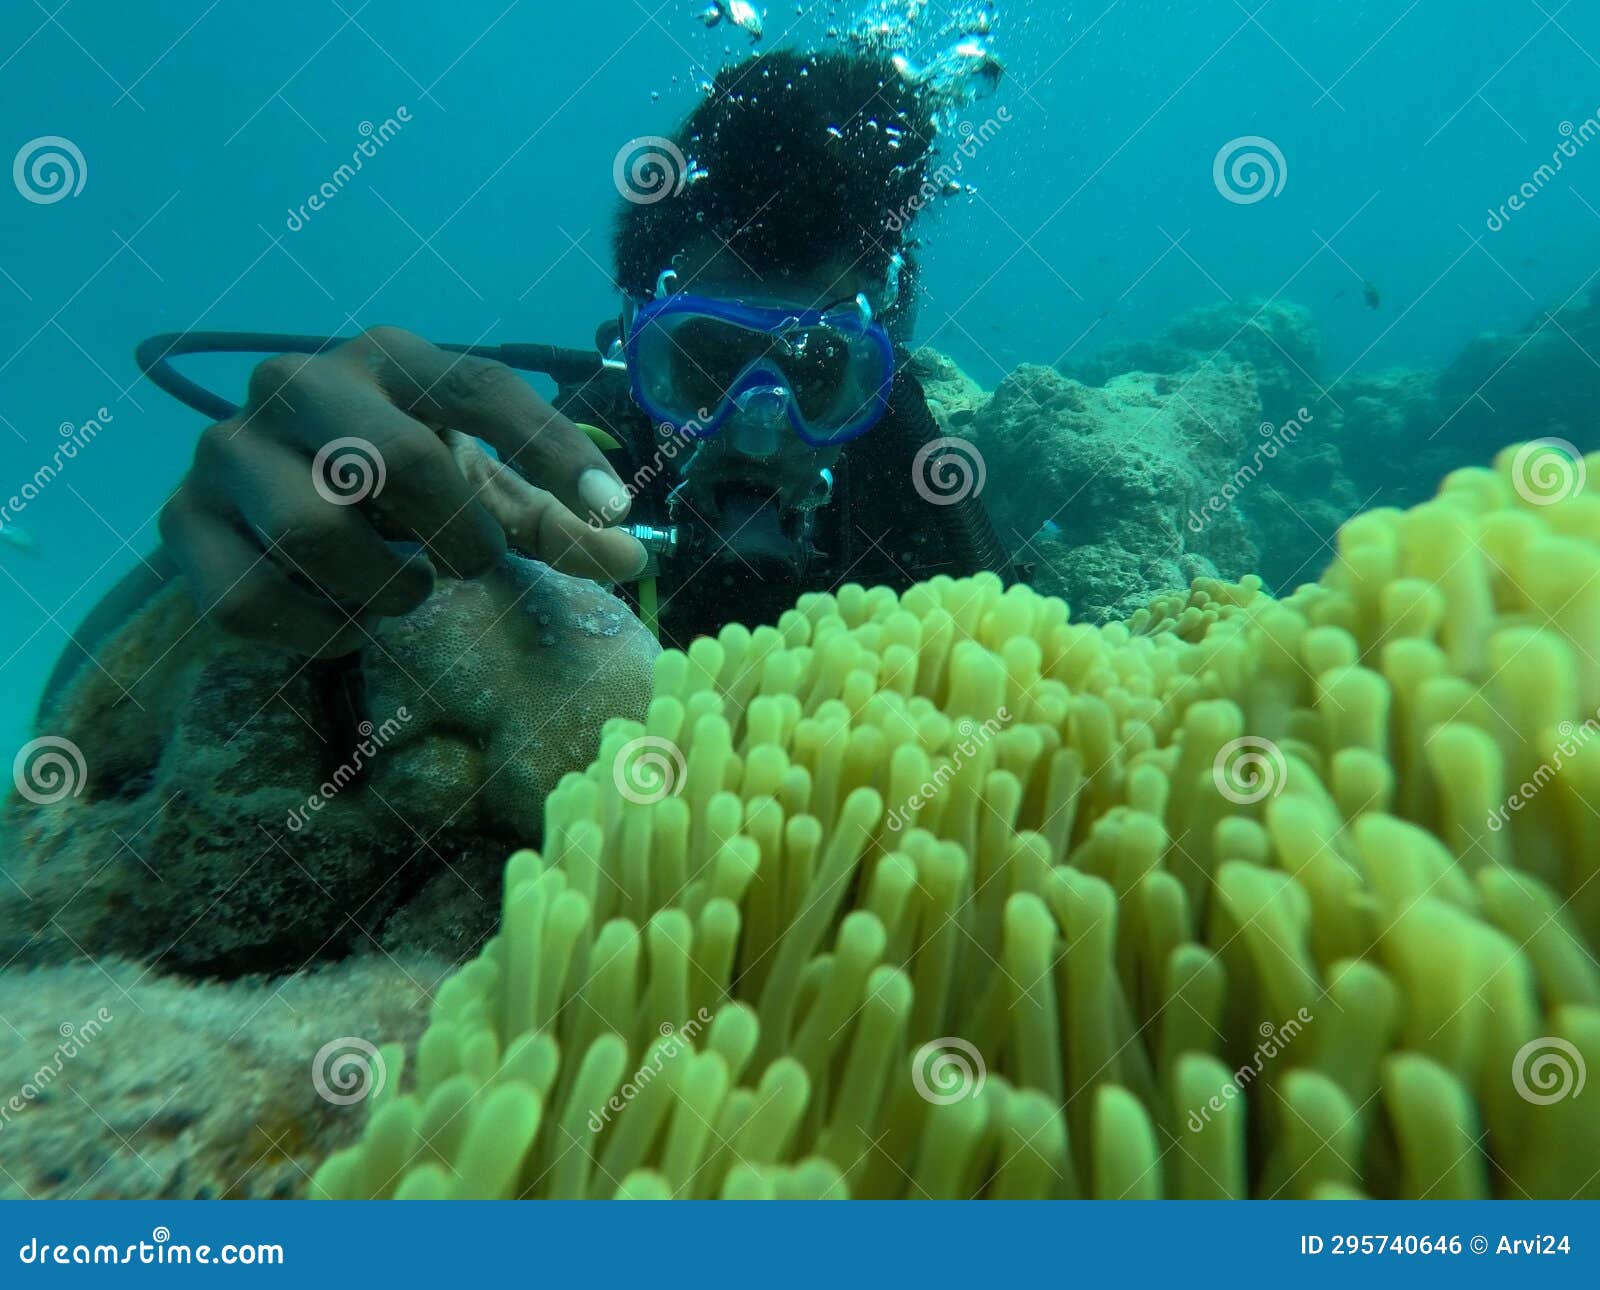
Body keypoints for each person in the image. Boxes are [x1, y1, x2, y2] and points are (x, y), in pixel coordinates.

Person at [49, 50, 1014, 707]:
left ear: (881, 368)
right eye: (705, 364)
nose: (757, 429)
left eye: (815, 371)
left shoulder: (924, 493)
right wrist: (270, 530)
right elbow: (74, 705)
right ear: (635, 343)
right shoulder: (557, 468)